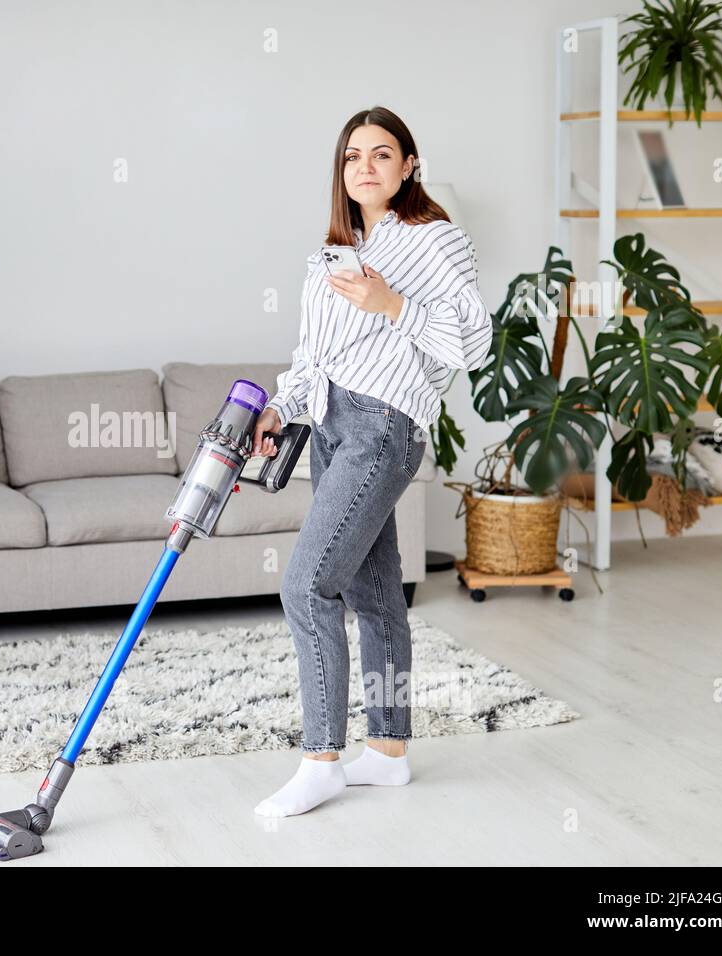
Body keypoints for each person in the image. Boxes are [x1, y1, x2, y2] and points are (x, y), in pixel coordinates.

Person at [252, 106, 493, 817]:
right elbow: (312, 358)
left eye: (381, 154)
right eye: (352, 155)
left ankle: (321, 759)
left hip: (382, 428)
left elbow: (473, 346)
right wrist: (278, 409)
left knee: (305, 587)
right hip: (329, 425)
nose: (364, 166)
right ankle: (387, 755)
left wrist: (394, 304)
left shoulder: (438, 241)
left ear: (409, 165)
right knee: (375, 597)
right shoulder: (331, 254)